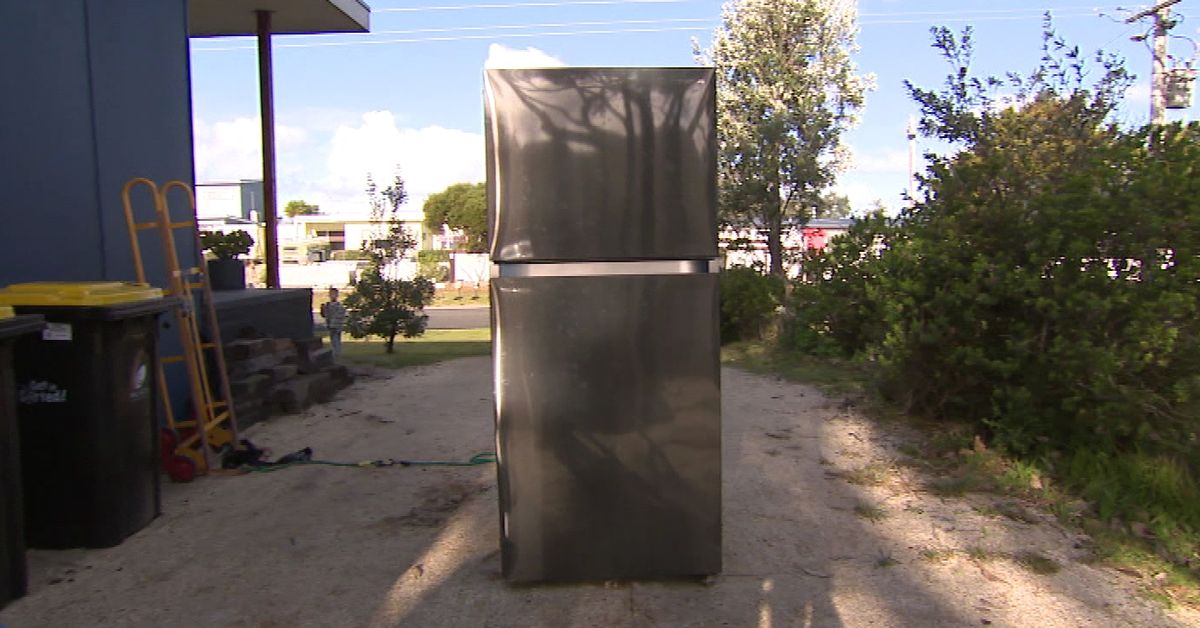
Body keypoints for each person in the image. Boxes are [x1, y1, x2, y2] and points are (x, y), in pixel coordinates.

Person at [320, 287, 347, 358]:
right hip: (330, 325)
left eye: (334, 294)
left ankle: (336, 353)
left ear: (337, 295)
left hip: (336, 326)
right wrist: (322, 309)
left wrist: (333, 324)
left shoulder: (339, 306)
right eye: (331, 294)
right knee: (333, 340)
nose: (332, 295)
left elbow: (340, 316)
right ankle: (335, 353)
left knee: (336, 340)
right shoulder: (327, 305)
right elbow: (324, 315)